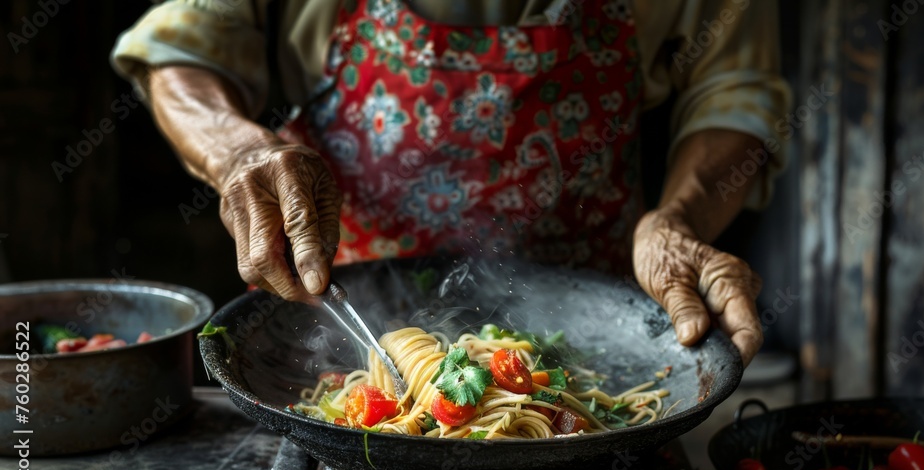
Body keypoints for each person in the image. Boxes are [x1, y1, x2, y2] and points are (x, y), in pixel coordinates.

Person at [111, 0, 791, 366]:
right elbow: (183, 47)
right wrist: (237, 151)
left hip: (598, 339)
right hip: (352, 332)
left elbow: (732, 86)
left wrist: (680, 218)